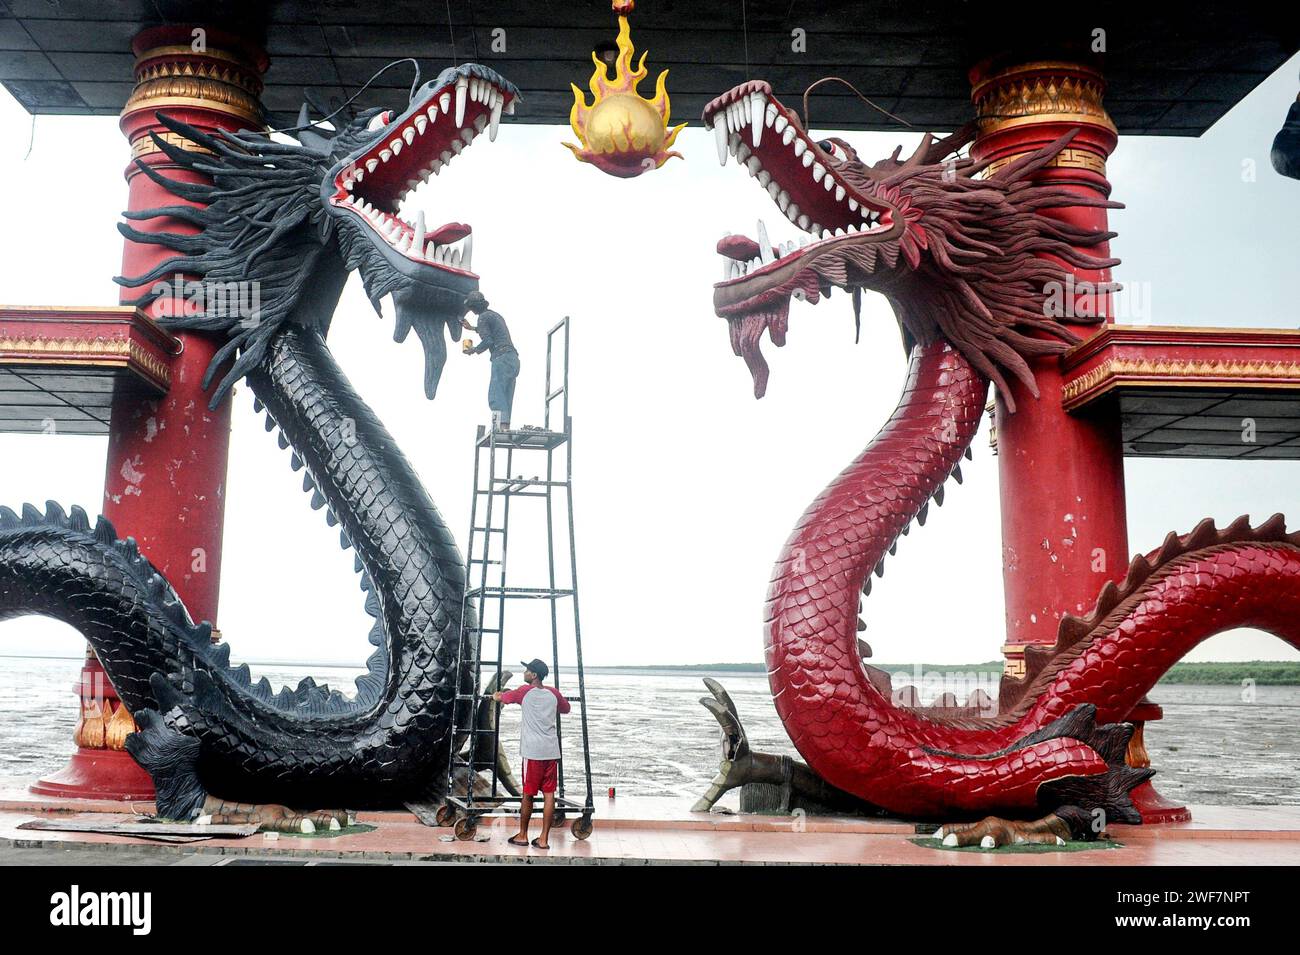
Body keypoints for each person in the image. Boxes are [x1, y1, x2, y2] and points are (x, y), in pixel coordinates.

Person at [494, 658, 570, 849]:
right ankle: (543, 839)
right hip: (551, 751)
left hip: (532, 753)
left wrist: (495, 695)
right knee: (549, 794)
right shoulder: (553, 693)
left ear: (534, 675)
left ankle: (523, 835)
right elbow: (566, 709)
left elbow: (503, 698)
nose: (524, 673)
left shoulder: (523, 692)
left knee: (528, 794)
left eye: (527, 670)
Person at [461, 291, 519, 430]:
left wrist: (474, 349)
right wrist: (473, 328)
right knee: (505, 394)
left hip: (501, 357)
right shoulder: (494, 315)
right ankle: (505, 425)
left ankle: (501, 426)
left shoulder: (483, 318)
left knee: (496, 393)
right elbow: (495, 331)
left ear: (473, 307)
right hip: (513, 359)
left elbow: (488, 340)